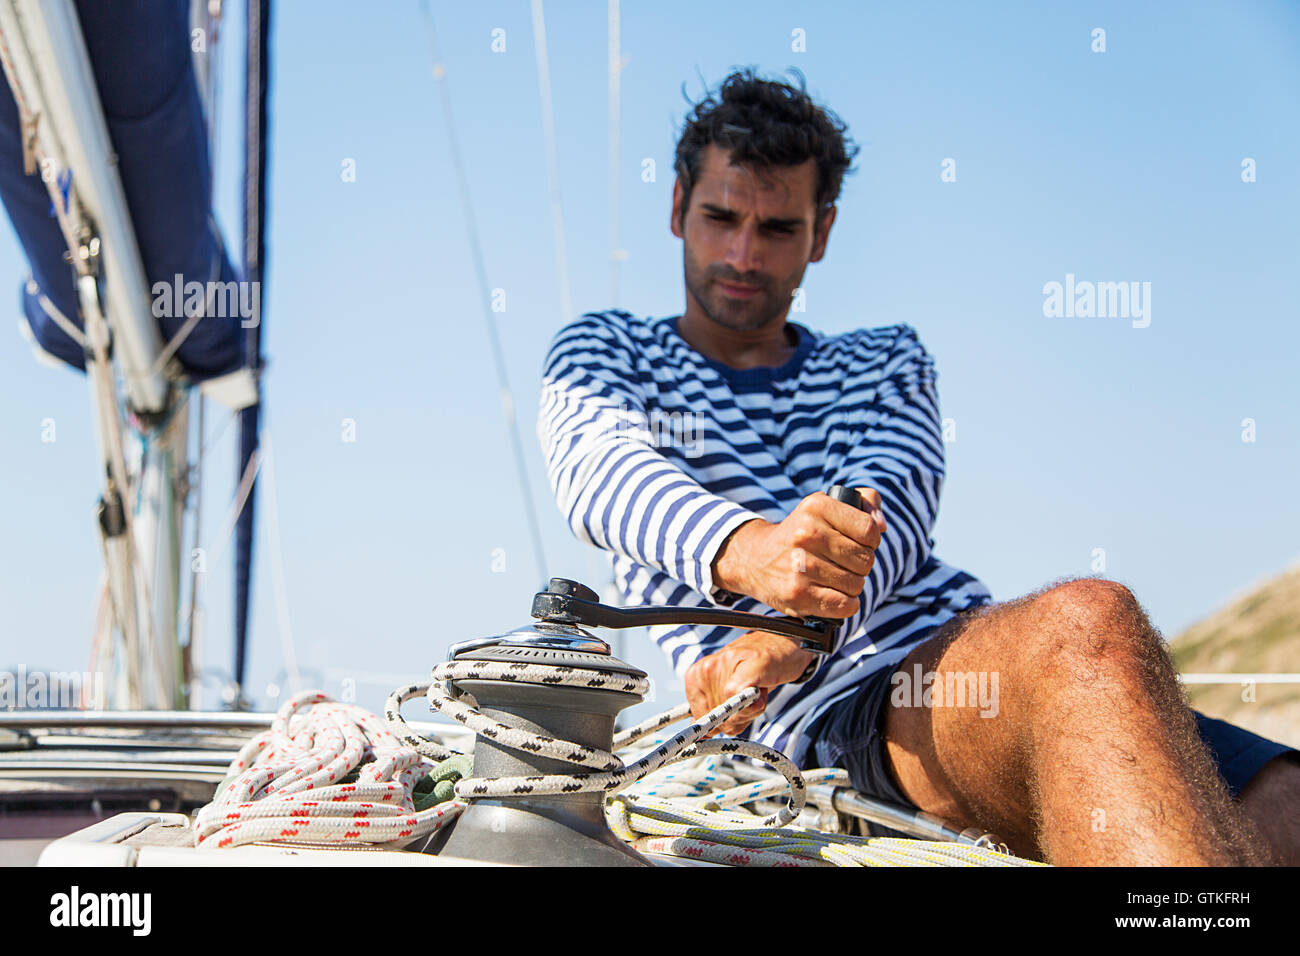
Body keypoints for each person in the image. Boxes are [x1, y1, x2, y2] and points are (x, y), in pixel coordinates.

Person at [536, 68, 1298, 865]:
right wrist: (752, 554)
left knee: (1282, 795)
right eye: (720, 217)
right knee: (1087, 623)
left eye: (778, 230)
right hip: (818, 722)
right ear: (676, 209)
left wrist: (800, 623)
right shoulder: (607, 350)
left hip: (963, 655)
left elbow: (889, 499)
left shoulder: (884, 359)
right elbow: (601, 473)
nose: (742, 253)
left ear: (822, 233)